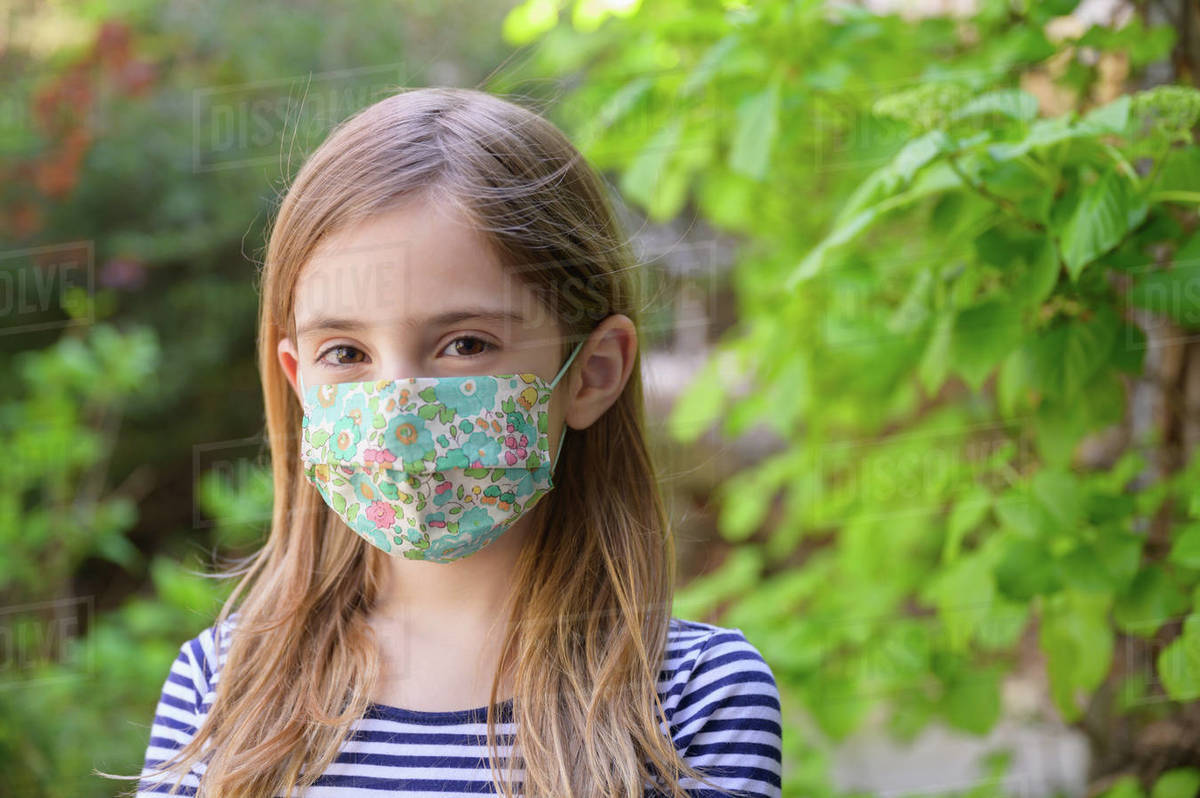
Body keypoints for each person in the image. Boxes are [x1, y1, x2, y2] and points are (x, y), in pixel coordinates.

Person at [109, 86, 782, 798]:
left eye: (465, 344)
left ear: (592, 372)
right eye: (344, 353)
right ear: (298, 378)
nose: (399, 409)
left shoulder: (692, 700)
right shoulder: (223, 687)